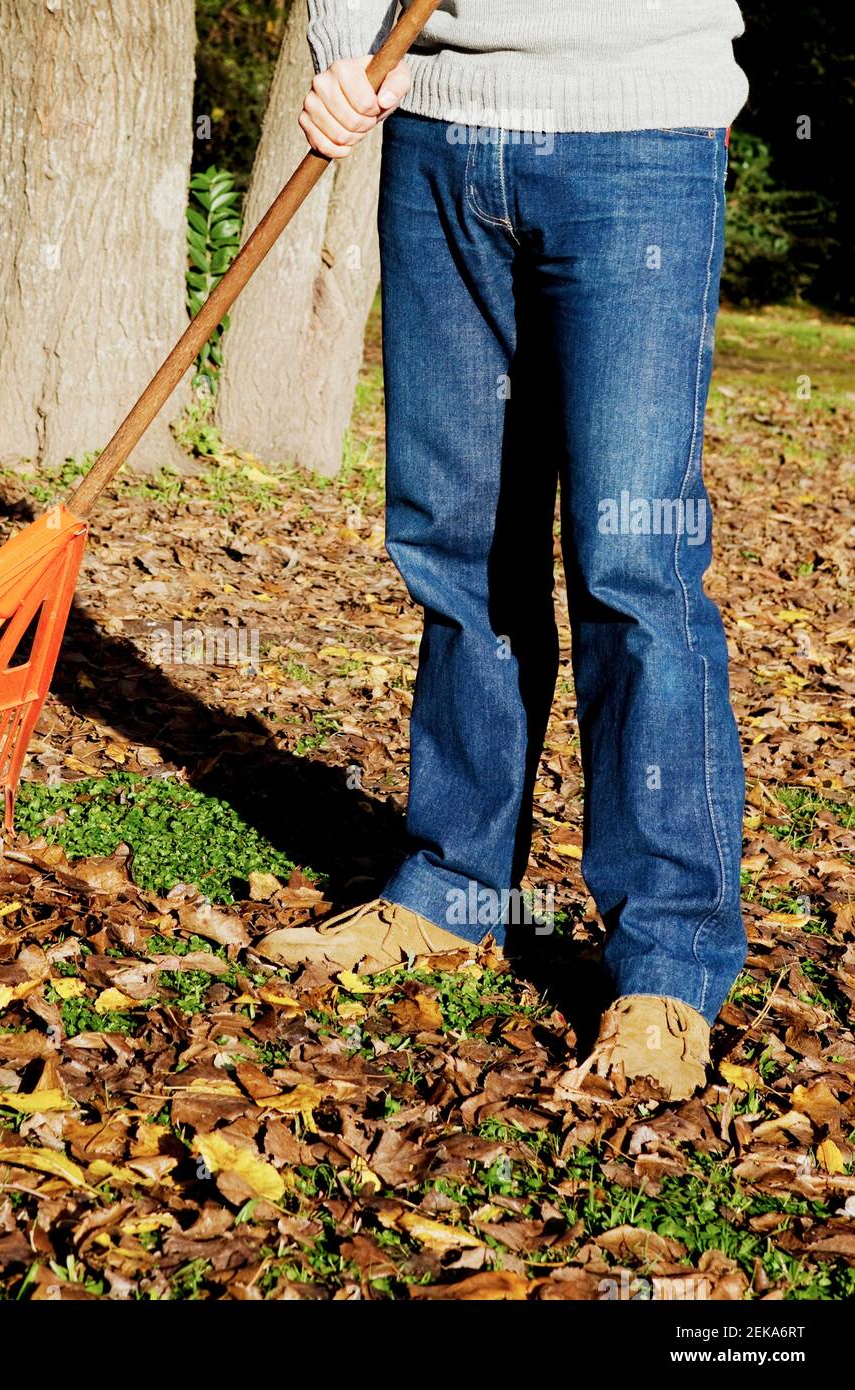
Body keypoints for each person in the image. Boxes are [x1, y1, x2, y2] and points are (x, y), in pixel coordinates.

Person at [258, 0, 750, 1101]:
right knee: (459, 541)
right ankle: (449, 886)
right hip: (435, 128)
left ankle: (669, 964)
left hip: (638, 133)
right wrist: (348, 54)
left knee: (634, 564)